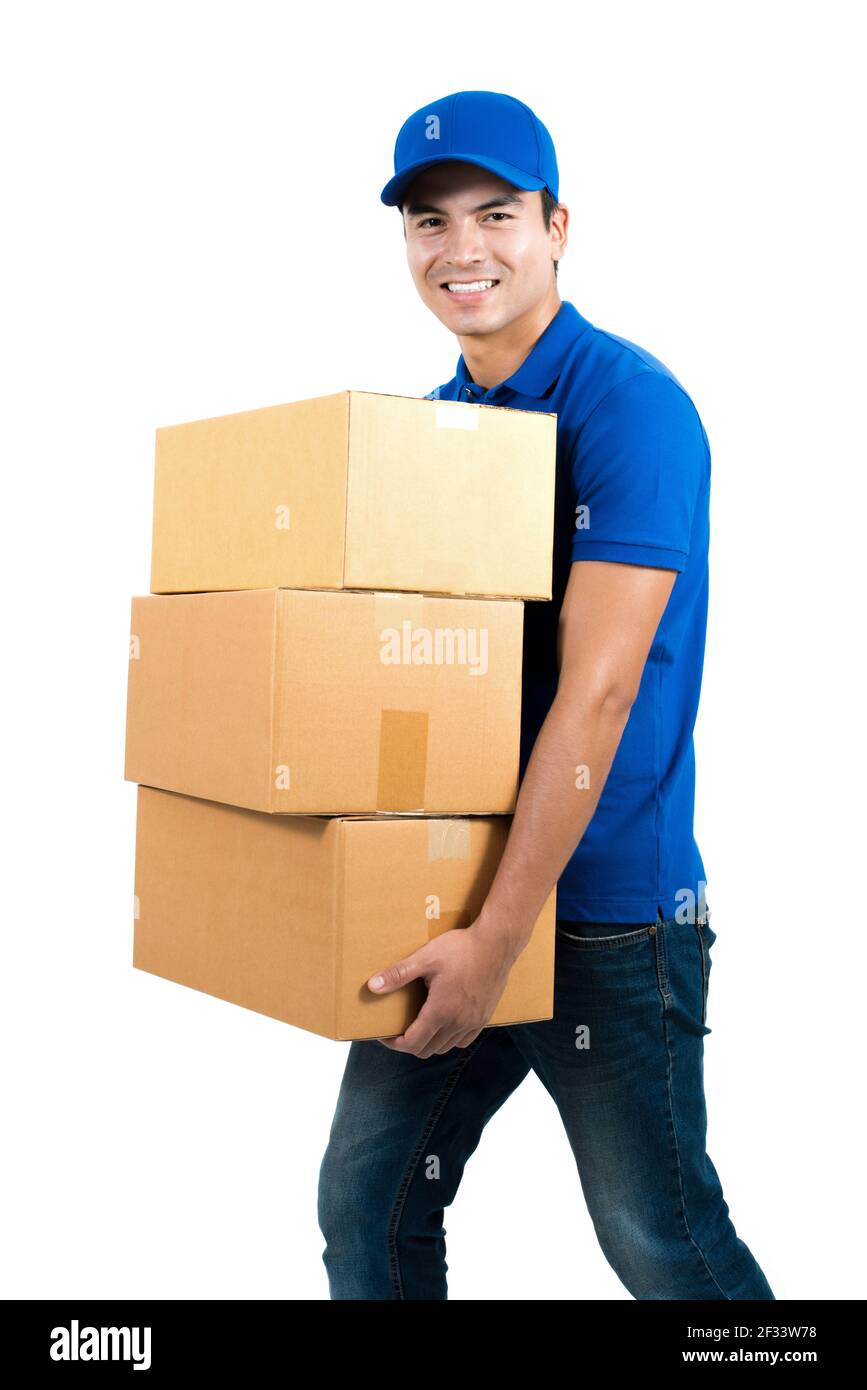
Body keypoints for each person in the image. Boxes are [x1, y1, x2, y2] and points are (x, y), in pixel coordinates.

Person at [317, 89, 775, 1300]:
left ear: (558, 226)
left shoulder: (631, 407)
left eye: (495, 213)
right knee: (367, 1214)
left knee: (663, 1244)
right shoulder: (439, 429)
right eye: (429, 222)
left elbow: (601, 691)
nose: (461, 249)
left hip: (607, 919)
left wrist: (500, 941)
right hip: (457, 897)